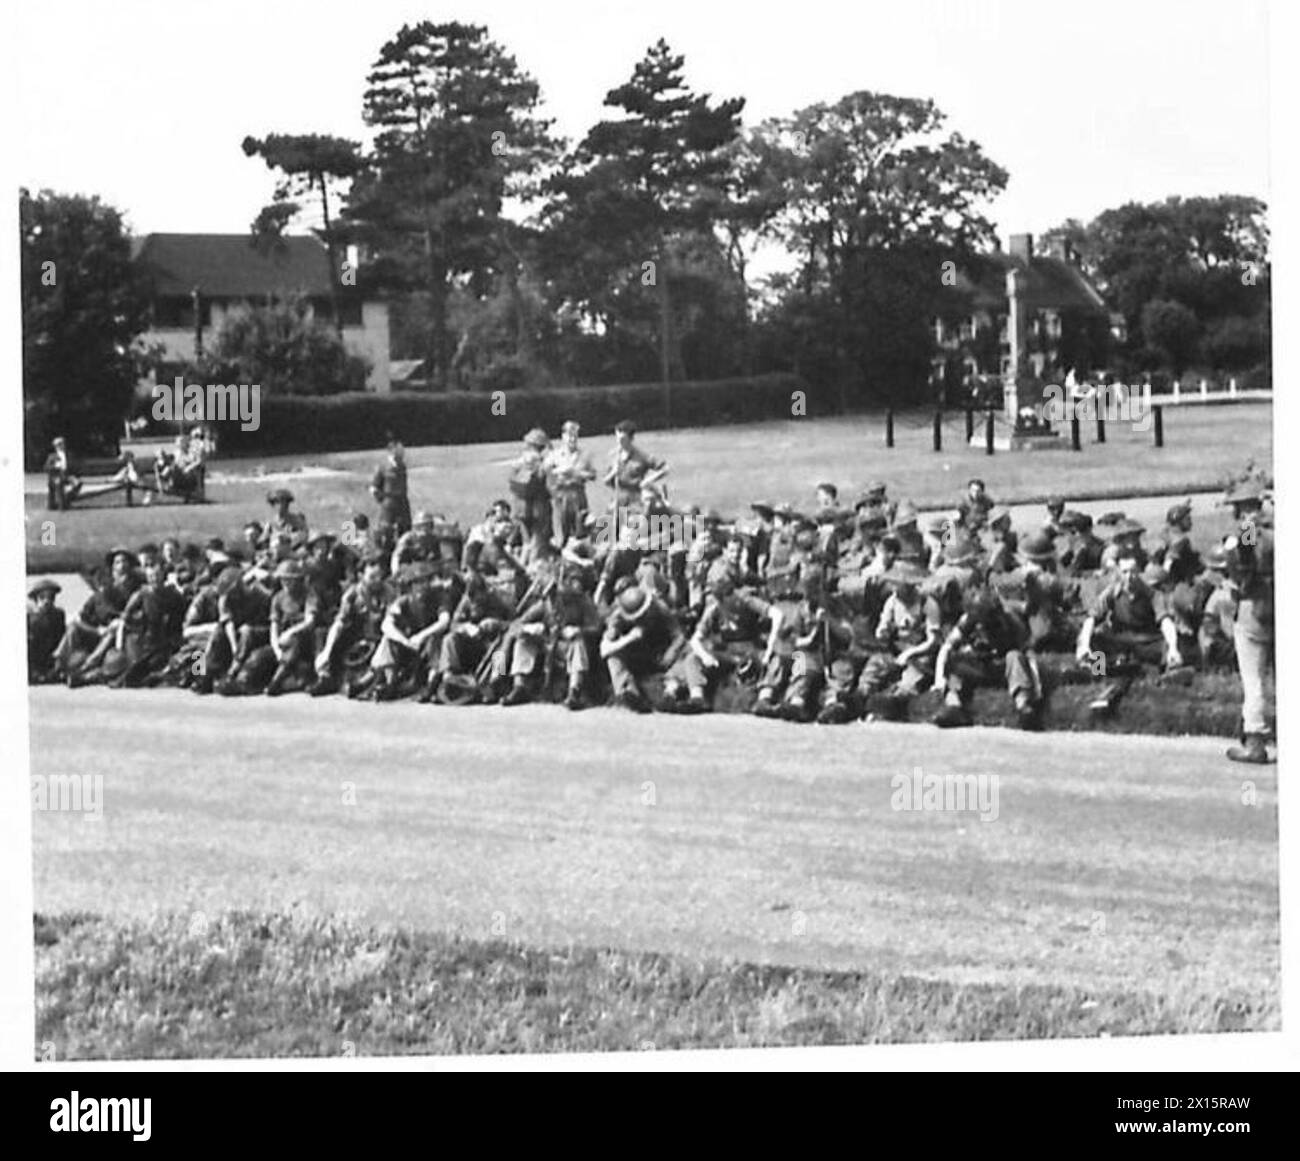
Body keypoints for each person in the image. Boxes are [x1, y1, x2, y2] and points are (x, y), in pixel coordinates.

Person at [1220, 478, 1275, 763]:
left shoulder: (1249, 532)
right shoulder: (1275, 532)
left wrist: (1234, 550)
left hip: (1255, 607)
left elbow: (1244, 566)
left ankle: (1255, 739)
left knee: (1253, 679)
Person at [600, 575, 683, 713]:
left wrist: (670, 655)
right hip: (634, 652)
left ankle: (671, 691)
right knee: (614, 657)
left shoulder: (660, 607)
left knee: (686, 651)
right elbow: (605, 649)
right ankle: (629, 692)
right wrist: (629, 638)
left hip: (659, 653)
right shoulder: (617, 616)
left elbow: (678, 636)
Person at [546, 421, 598, 547]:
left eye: (575, 435)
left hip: (578, 494)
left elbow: (593, 475)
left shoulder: (584, 455)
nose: (573, 439)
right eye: (570, 435)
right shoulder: (555, 455)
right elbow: (545, 471)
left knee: (580, 529)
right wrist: (558, 471)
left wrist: (575, 472)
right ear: (563, 436)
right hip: (561, 495)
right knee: (561, 531)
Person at [604, 420, 667, 512]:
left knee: (634, 523)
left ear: (631, 438)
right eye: (617, 438)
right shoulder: (613, 455)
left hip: (636, 500)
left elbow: (664, 469)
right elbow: (606, 482)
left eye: (622, 439)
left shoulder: (641, 456)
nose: (619, 442)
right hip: (618, 498)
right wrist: (613, 473)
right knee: (605, 524)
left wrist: (648, 480)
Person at [371, 438, 412, 549]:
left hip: (403, 502)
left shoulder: (402, 466)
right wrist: (382, 501)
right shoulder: (382, 467)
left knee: (405, 529)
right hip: (389, 503)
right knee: (386, 529)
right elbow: (374, 488)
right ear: (392, 450)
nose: (403, 452)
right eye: (400, 449)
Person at [28, 579, 66, 684]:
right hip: (35, 657)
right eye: (42, 598)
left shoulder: (58, 615)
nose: (47, 601)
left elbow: (62, 636)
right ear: (36, 600)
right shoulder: (30, 617)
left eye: (51, 597)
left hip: (52, 655)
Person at [44, 436, 82, 510]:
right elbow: (46, 468)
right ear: (55, 446)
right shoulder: (52, 456)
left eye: (61, 444)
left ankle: (67, 499)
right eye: (58, 445)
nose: (60, 446)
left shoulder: (69, 455)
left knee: (78, 483)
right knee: (58, 483)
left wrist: (75, 476)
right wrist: (55, 466)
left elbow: (73, 467)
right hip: (56, 476)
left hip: (67, 476)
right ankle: (62, 505)